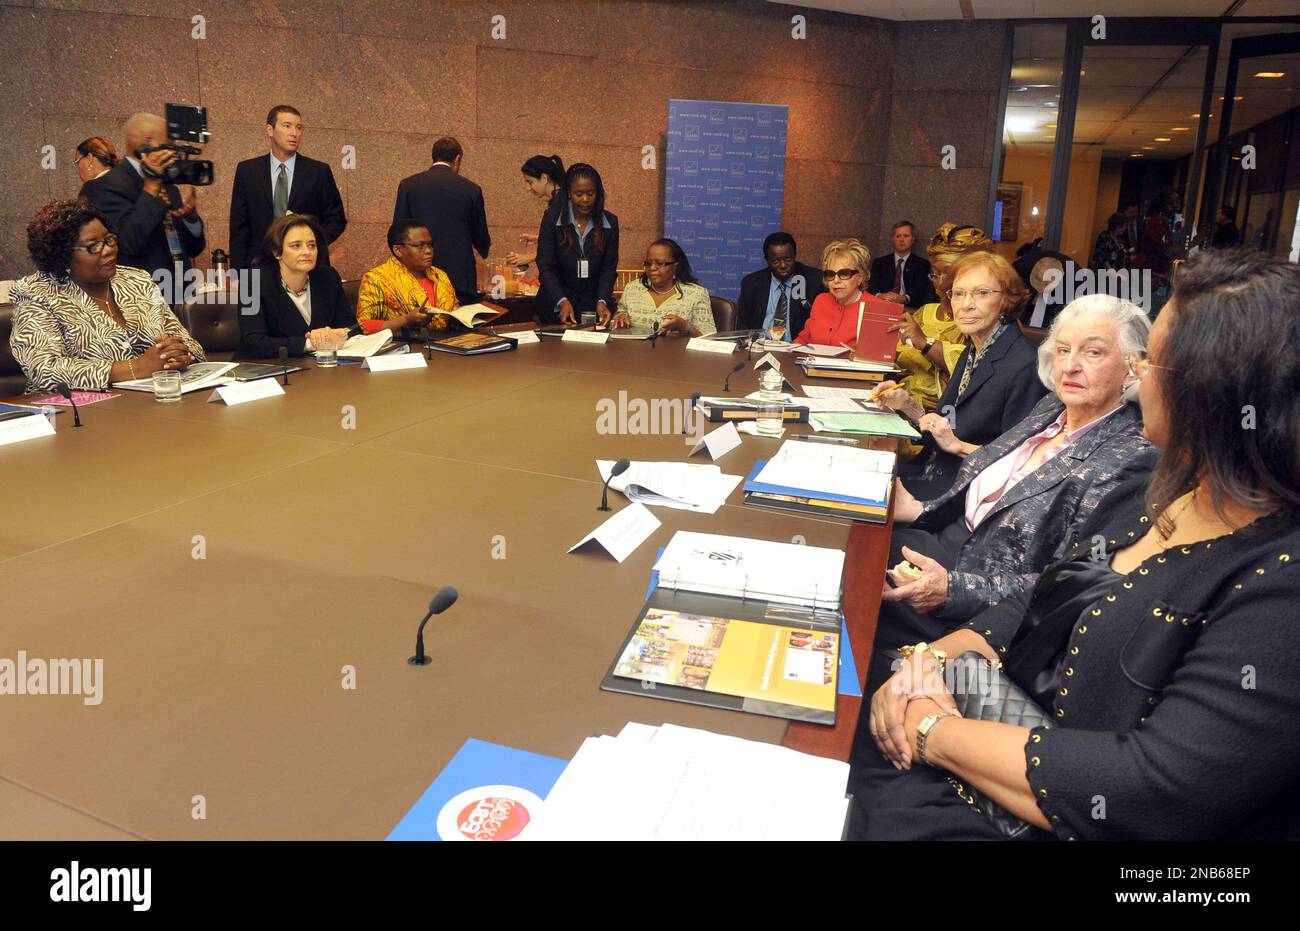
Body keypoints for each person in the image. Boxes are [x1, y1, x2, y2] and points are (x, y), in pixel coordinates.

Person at [852, 248, 1300, 841]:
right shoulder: (1163, 492)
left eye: (1152, 365)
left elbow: (1151, 790)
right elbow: (1044, 595)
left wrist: (932, 727)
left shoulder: (1280, 589)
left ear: (1213, 392)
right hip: (1001, 737)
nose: (1138, 377)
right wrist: (929, 663)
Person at [865, 294, 1156, 687]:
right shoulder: (1053, 407)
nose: (1069, 365)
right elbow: (989, 486)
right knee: (849, 541)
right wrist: (921, 509)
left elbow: (1069, 583)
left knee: (853, 607)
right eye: (1064, 349)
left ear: (1133, 367)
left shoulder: (1131, 455)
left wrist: (954, 589)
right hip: (940, 544)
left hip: (982, 608)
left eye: (1093, 352)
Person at [875, 249, 1049, 499]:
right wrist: (908, 406)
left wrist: (959, 447)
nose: (966, 304)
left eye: (982, 293)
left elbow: (1019, 462)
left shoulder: (1024, 366)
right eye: (958, 293)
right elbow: (950, 426)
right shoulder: (974, 349)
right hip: (932, 472)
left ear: (1005, 301)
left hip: (964, 495)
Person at [9, 199, 205, 392]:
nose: (109, 250)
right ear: (62, 254)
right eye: (93, 246)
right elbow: (43, 369)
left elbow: (189, 344)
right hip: (77, 412)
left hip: (153, 400)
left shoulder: (138, 281)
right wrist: (136, 368)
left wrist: (179, 354)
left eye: (109, 239)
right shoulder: (36, 292)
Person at [79, 112, 205, 284]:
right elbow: (127, 244)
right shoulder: (101, 188)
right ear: (148, 142)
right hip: (140, 298)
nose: (173, 151)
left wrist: (191, 221)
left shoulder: (169, 188)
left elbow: (193, 250)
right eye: (168, 144)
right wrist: (151, 188)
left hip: (182, 292)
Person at [228, 105, 347, 271]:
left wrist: (310, 244)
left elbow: (337, 219)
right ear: (270, 129)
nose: (294, 133)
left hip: (307, 268)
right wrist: (236, 274)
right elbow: (239, 227)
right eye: (287, 126)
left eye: (299, 128)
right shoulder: (248, 171)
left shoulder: (318, 172)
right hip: (260, 266)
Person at [884, 223, 985, 415]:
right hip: (900, 404)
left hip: (941, 416)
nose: (939, 282)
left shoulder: (979, 321)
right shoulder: (926, 312)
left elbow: (972, 368)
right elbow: (898, 355)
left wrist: (924, 342)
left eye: (947, 273)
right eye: (935, 274)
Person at [237, 214, 354, 358]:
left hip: (320, 370)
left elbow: (351, 328)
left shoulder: (328, 277)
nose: (306, 252)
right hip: (266, 371)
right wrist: (312, 343)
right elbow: (253, 342)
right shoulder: (251, 282)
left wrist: (334, 334)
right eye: (296, 246)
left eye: (312, 245)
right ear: (277, 252)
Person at [392, 136, 490, 305]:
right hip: (459, 276)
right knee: (461, 326)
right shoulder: (471, 189)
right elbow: (479, 233)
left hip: (419, 274)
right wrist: (484, 249)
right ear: (457, 159)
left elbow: (399, 231)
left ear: (433, 157)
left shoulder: (408, 185)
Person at [536, 163, 619, 326]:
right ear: (568, 193)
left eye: (590, 193)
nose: (585, 199)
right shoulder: (552, 219)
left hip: (593, 307)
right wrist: (562, 300)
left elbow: (608, 269)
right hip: (556, 306)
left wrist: (602, 300)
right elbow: (545, 267)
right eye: (578, 194)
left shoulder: (610, 222)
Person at [355, 220, 458, 335]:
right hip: (404, 347)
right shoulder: (377, 278)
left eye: (430, 245)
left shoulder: (440, 275)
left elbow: (454, 310)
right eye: (420, 246)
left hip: (447, 345)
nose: (428, 251)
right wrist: (405, 320)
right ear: (398, 250)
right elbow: (365, 326)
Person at [611, 239, 715, 337]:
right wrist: (621, 317)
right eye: (648, 263)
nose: (652, 268)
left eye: (660, 263)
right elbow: (621, 312)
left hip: (678, 355)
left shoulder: (696, 294)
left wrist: (685, 327)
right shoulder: (632, 289)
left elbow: (709, 339)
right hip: (637, 354)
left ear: (675, 267)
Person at [735, 231, 826, 340]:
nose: (783, 265)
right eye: (776, 261)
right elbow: (743, 325)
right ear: (767, 260)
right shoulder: (752, 283)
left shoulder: (813, 280)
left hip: (797, 348)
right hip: (761, 347)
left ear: (795, 256)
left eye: (788, 259)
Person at [793, 239, 878, 347]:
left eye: (845, 273)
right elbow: (803, 338)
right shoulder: (821, 300)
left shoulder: (877, 307)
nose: (836, 280)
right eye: (830, 274)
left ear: (860, 277)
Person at [504, 155, 565, 271]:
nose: (528, 188)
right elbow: (563, 235)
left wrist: (528, 257)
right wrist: (540, 238)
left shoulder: (562, 203)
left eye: (530, 182)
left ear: (544, 178)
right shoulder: (560, 200)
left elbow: (567, 244)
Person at [868, 220, 932, 307]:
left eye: (906, 236)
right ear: (892, 239)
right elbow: (872, 286)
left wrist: (904, 298)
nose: (901, 240)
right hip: (882, 305)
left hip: (909, 308)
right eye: (898, 236)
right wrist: (880, 296)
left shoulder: (922, 264)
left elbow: (920, 289)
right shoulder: (879, 263)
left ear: (913, 239)